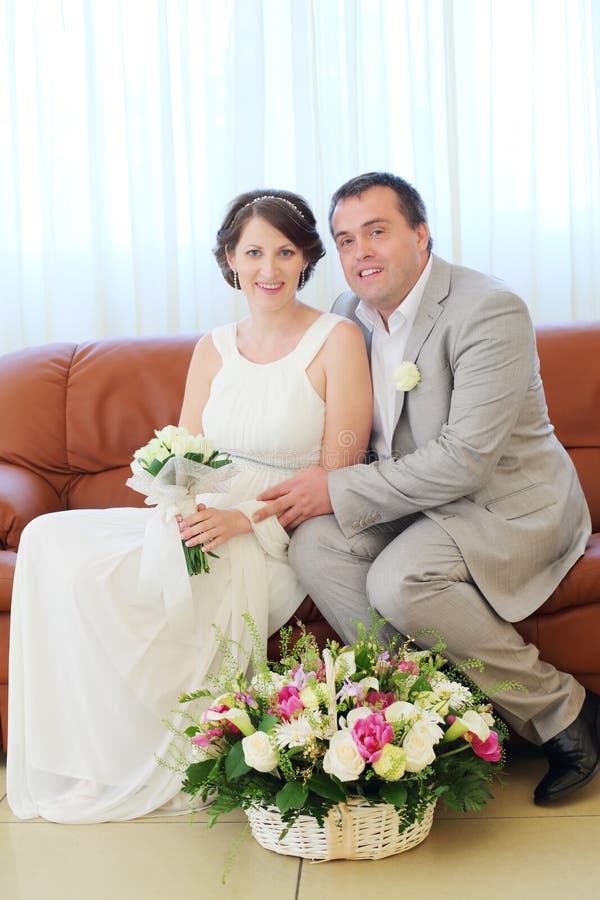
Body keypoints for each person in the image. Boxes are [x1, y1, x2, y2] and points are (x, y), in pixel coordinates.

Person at [7, 189, 372, 823]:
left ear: (306, 258)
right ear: (230, 258)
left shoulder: (337, 340)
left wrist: (242, 518)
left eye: (285, 252)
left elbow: (338, 471)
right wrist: (179, 506)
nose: (268, 269)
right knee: (47, 540)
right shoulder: (215, 346)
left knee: (175, 589)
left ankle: (167, 758)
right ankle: (92, 754)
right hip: (202, 514)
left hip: (272, 530)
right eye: (253, 252)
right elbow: (187, 452)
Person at [254, 171, 599, 806]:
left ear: (421, 235)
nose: (361, 252)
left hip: (502, 502)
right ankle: (435, 720)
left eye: (377, 232)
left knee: (400, 580)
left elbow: (466, 461)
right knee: (315, 546)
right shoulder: (346, 316)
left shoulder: (489, 309)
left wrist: (338, 488)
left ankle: (564, 713)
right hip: (409, 503)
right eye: (346, 239)